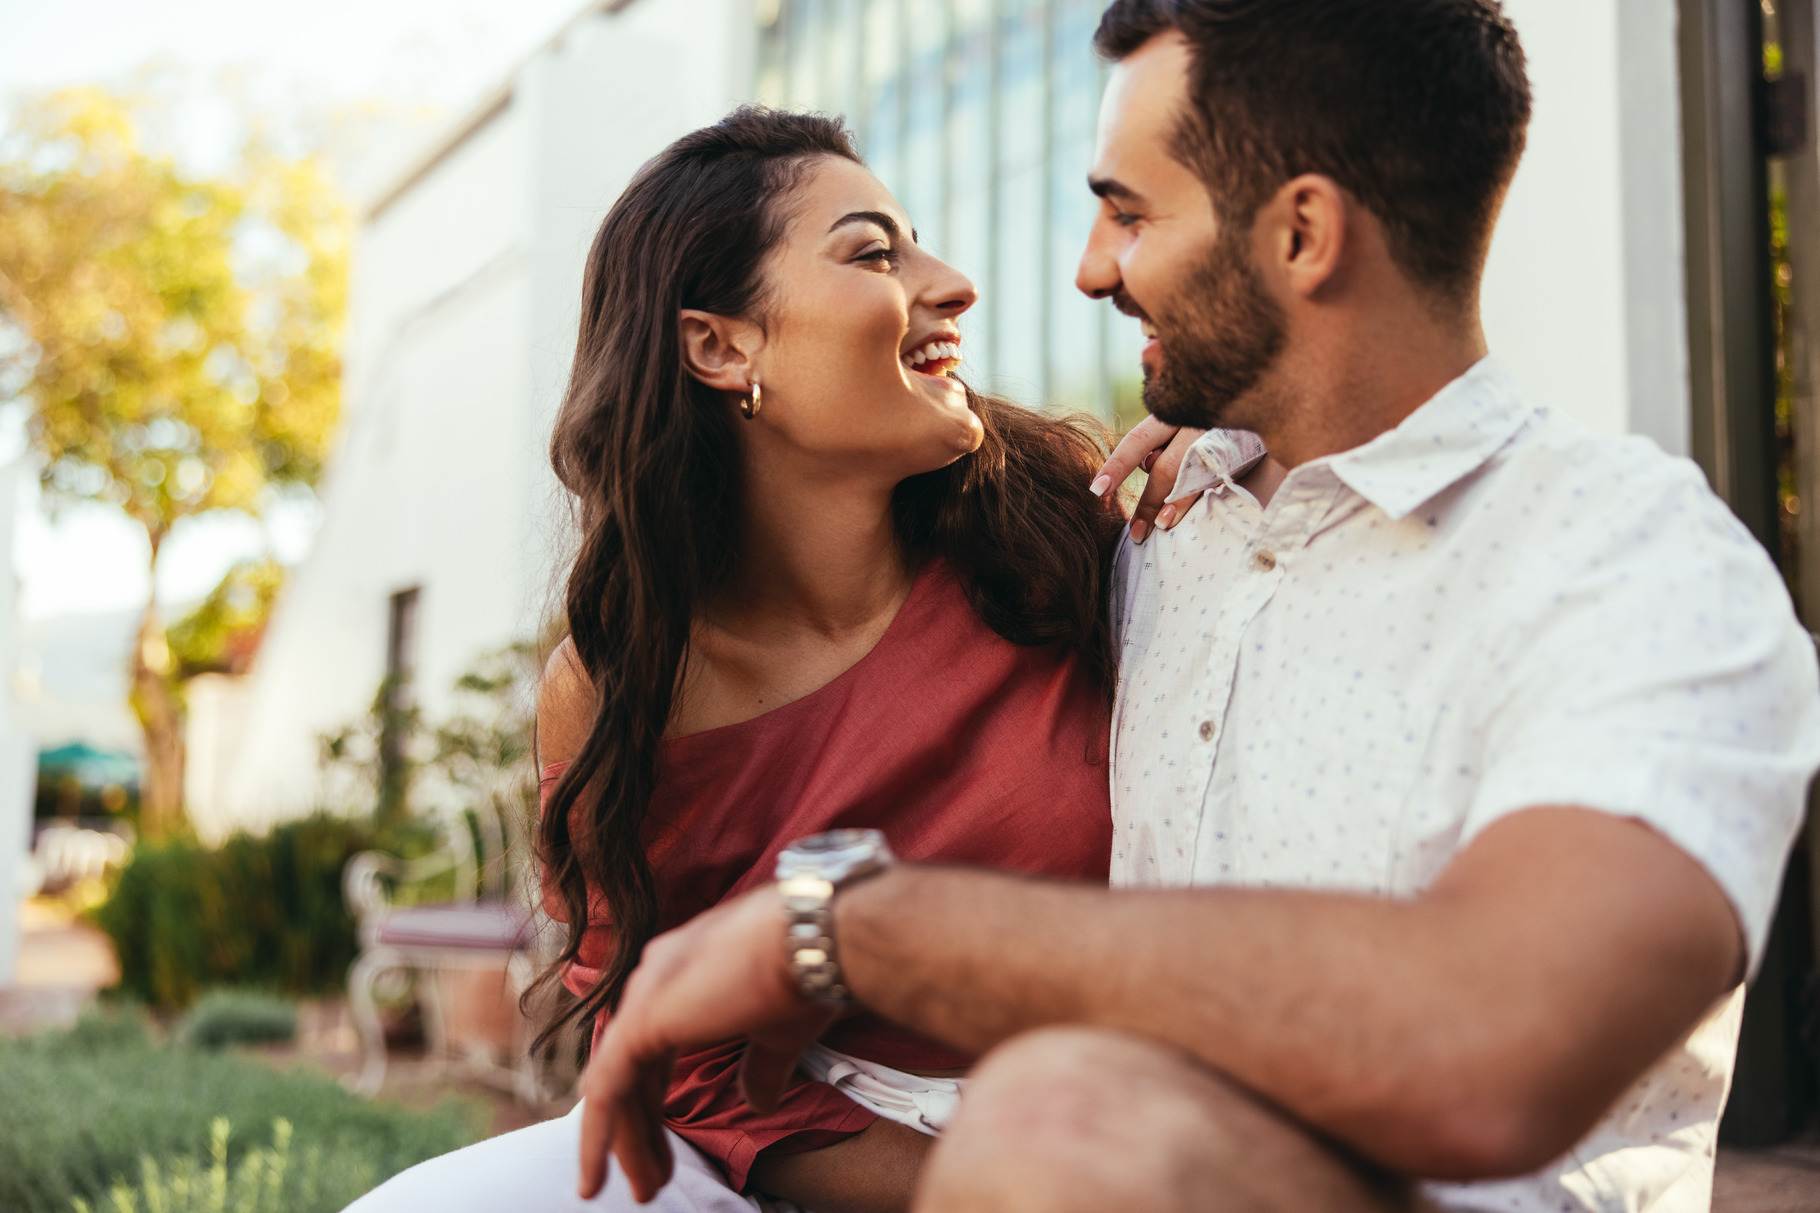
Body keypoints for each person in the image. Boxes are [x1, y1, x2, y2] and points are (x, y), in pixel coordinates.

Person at [572, 3, 1820, 1212]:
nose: (1089, 269)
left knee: (1065, 1120)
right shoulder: (1150, 539)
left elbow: (1499, 1043)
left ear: (1300, 236)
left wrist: (853, 927)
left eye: (1127, 212)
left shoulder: (1634, 562)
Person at [348, 108, 1159, 1213]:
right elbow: (680, 1066)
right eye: (874, 252)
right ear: (720, 345)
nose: (954, 282)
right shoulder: (619, 690)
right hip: (821, 1160)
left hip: (1118, 1125)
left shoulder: (1069, 530)